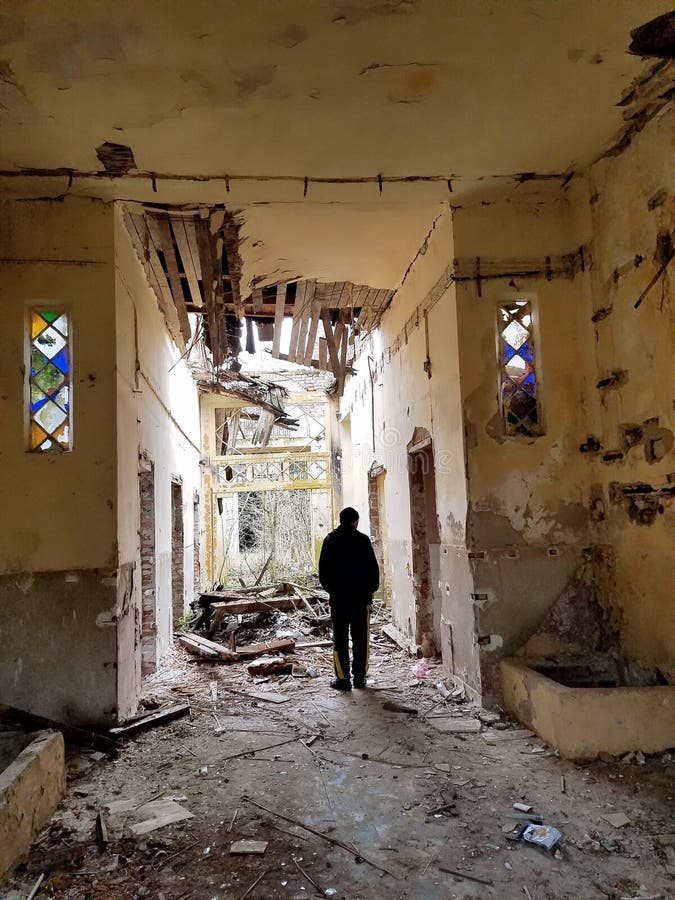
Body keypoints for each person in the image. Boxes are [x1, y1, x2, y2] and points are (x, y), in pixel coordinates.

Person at [318, 507, 380, 691]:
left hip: (339, 600)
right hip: (360, 600)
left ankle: (343, 680)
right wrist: (369, 593)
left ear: (341, 520)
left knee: (340, 639)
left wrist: (333, 591)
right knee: (361, 639)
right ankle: (360, 678)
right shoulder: (362, 540)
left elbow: (323, 573)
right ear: (356, 521)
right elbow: (373, 570)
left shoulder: (330, 540)